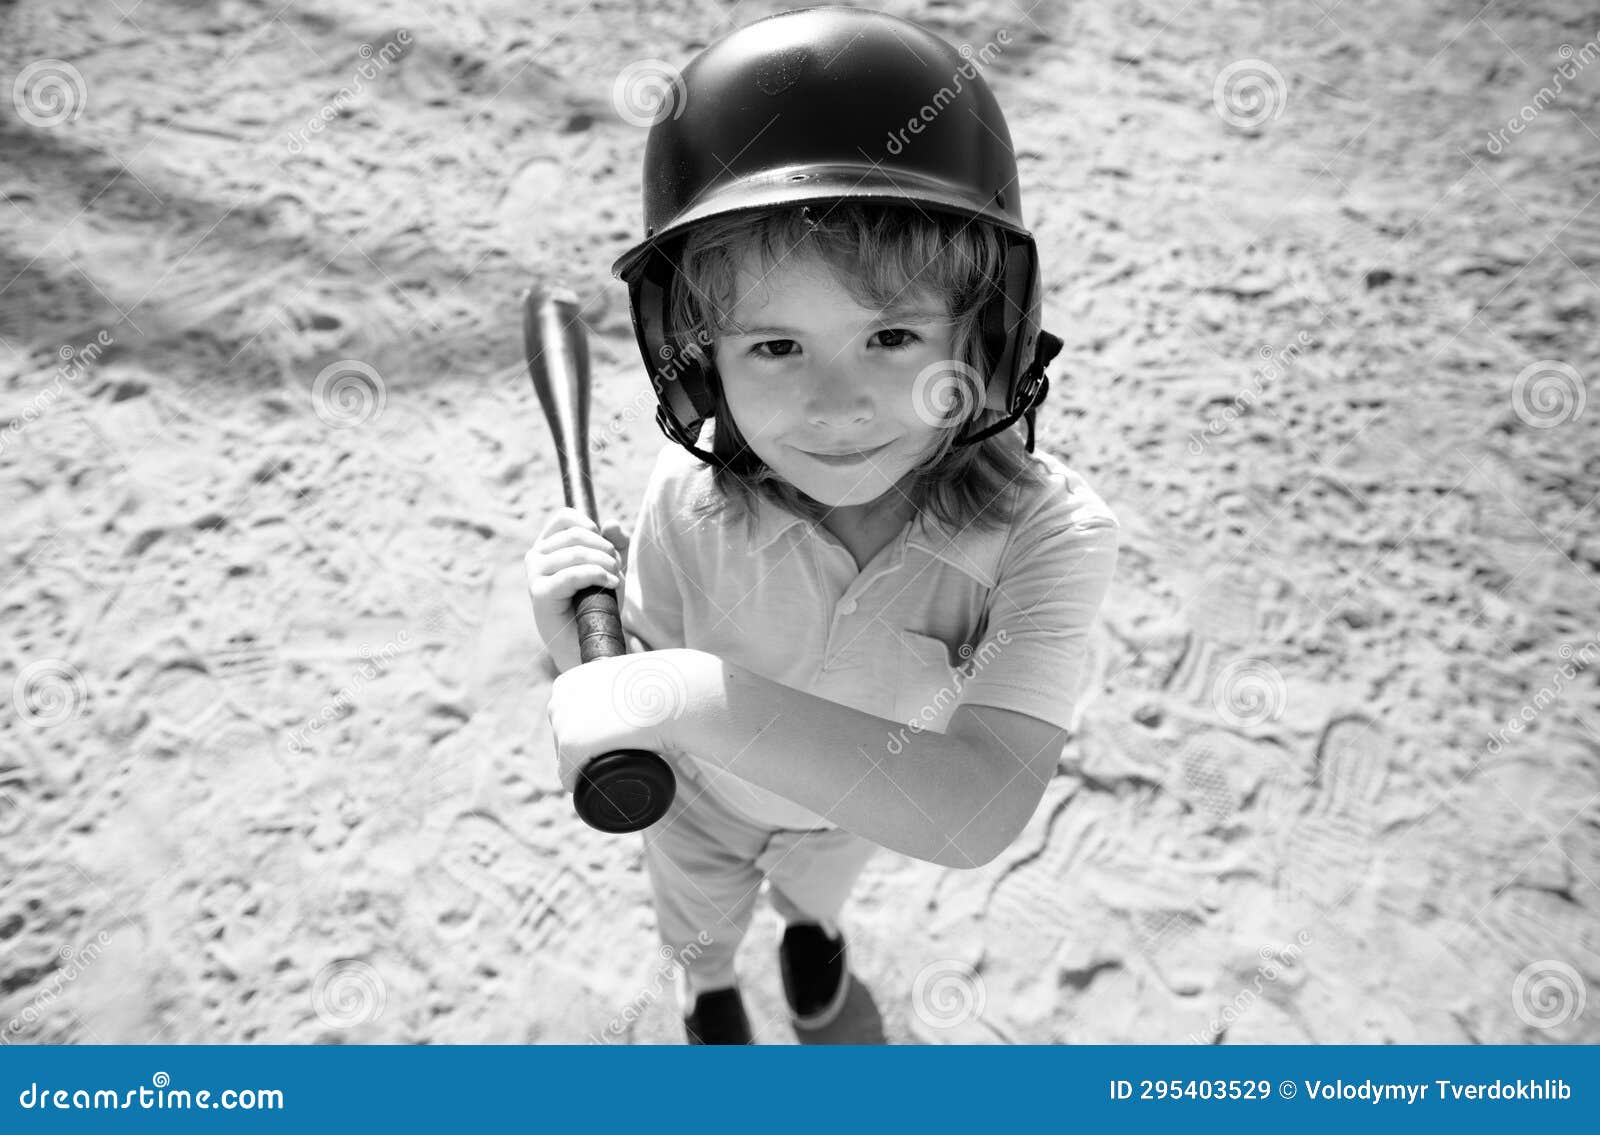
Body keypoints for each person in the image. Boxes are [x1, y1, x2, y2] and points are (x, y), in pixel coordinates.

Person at [524, 7, 1119, 1044]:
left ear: (981, 338)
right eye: (775, 347)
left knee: (816, 895)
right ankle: (708, 990)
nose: (836, 406)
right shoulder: (686, 495)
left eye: (891, 335)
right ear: (703, 360)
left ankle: (809, 938)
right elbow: (633, 669)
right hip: (699, 802)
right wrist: (571, 640)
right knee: (697, 929)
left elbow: (974, 807)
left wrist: (681, 693)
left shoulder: (1044, 533)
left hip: (852, 803)